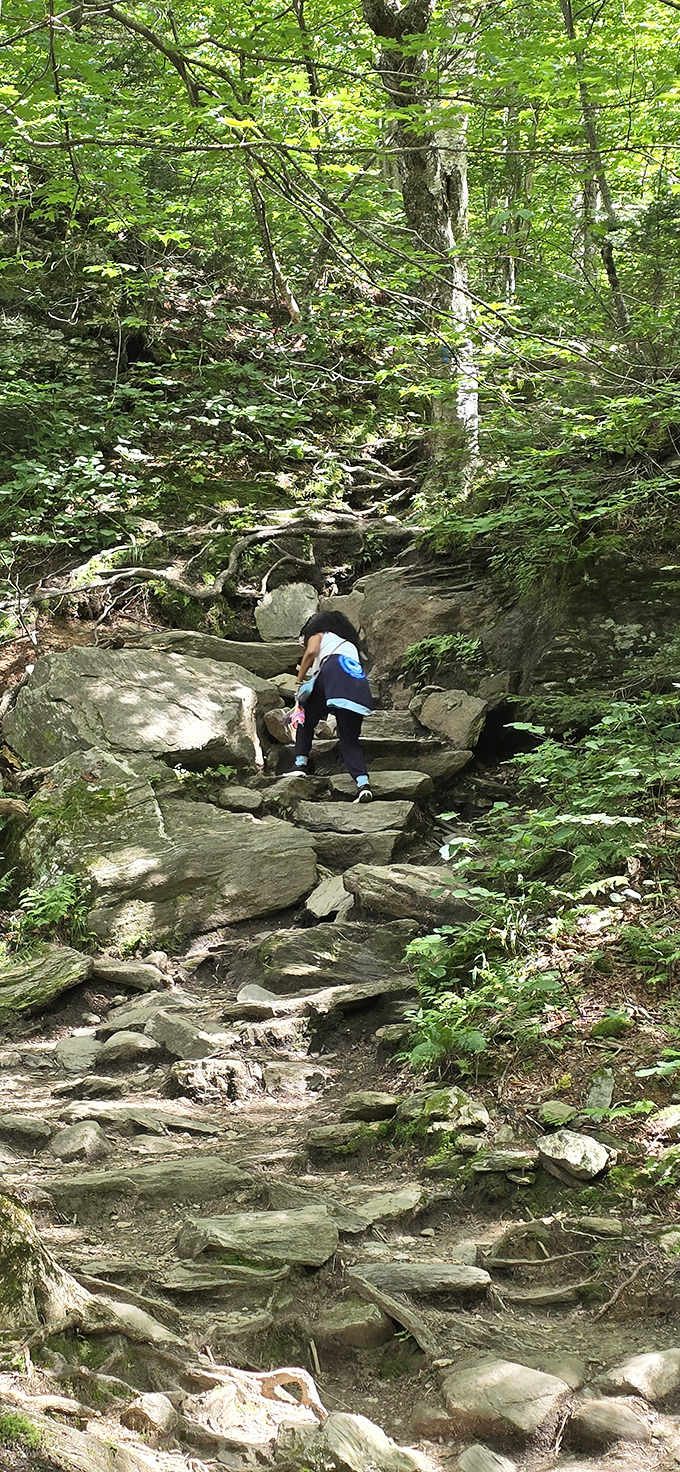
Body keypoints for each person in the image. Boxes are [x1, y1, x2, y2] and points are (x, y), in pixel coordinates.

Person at [293, 609, 375, 802]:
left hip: (332, 671)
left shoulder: (321, 634)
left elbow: (311, 652)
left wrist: (298, 680)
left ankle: (300, 765)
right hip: (357, 684)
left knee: (304, 716)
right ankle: (363, 784)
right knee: (349, 740)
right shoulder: (351, 646)